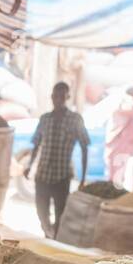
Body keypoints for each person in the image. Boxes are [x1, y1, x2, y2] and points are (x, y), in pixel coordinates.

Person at [28, 82, 89, 238]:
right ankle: (48, 235)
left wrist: (82, 178)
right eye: (56, 96)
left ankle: (55, 239)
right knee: (41, 211)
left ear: (67, 97)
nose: (59, 99)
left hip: (62, 176)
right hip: (42, 174)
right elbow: (36, 144)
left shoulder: (75, 119)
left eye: (63, 96)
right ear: (52, 97)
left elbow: (84, 147)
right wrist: (29, 166)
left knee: (60, 213)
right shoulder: (45, 119)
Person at [105, 86, 133, 187]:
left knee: (119, 173)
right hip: (119, 142)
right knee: (116, 173)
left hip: (122, 143)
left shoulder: (125, 106)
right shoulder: (123, 104)